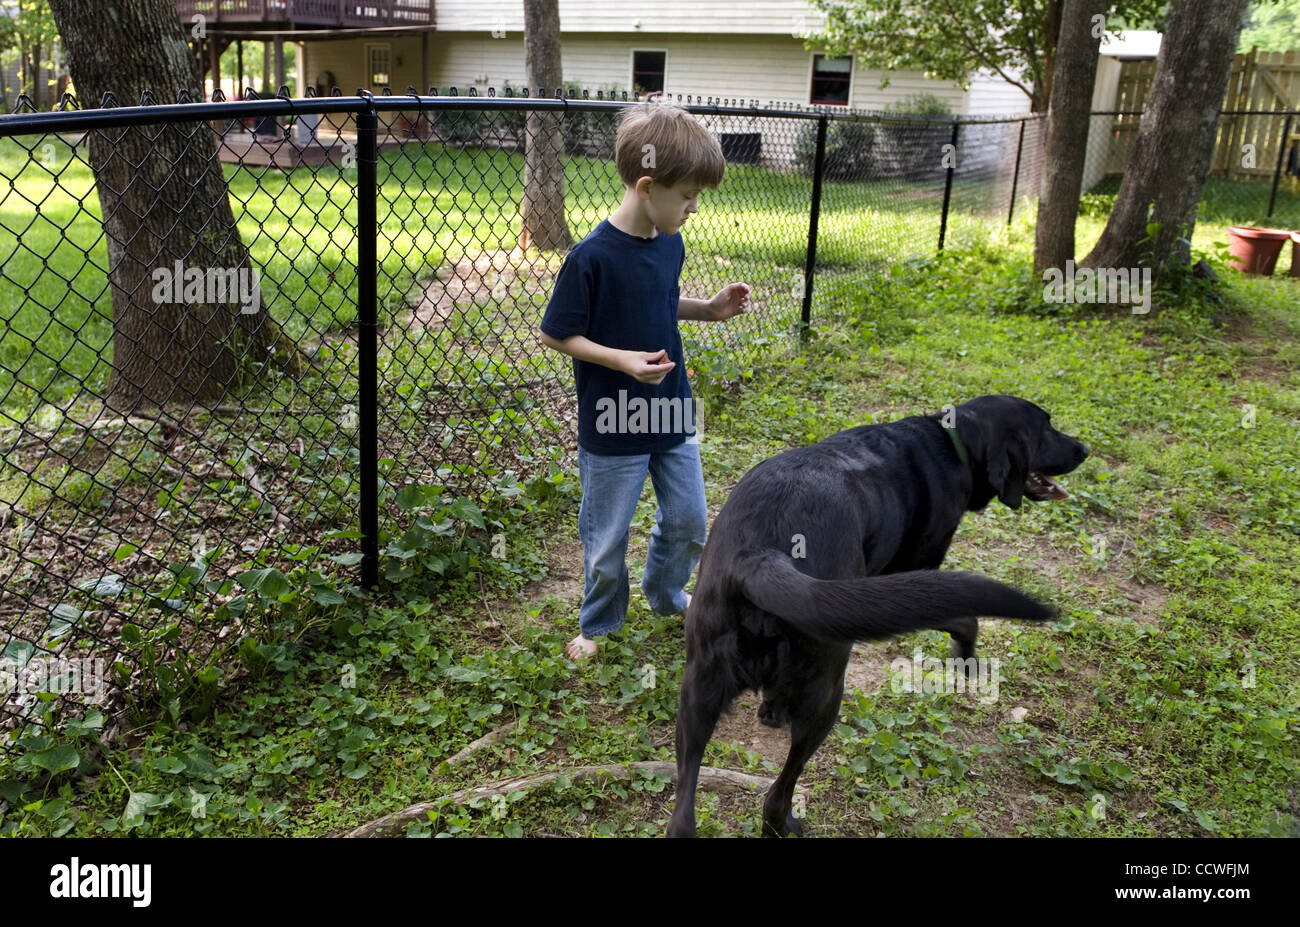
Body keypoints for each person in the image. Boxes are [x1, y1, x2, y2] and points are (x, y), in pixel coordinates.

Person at [538, 102, 751, 660]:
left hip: (671, 411)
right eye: (687, 197)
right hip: (612, 422)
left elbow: (659, 301)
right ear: (647, 185)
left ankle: (663, 591)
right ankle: (599, 622)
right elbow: (558, 334)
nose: (693, 209)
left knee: (689, 518)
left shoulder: (669, 242)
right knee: (606, 538)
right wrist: (622, 361)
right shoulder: (590, 259)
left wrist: (707, 309)